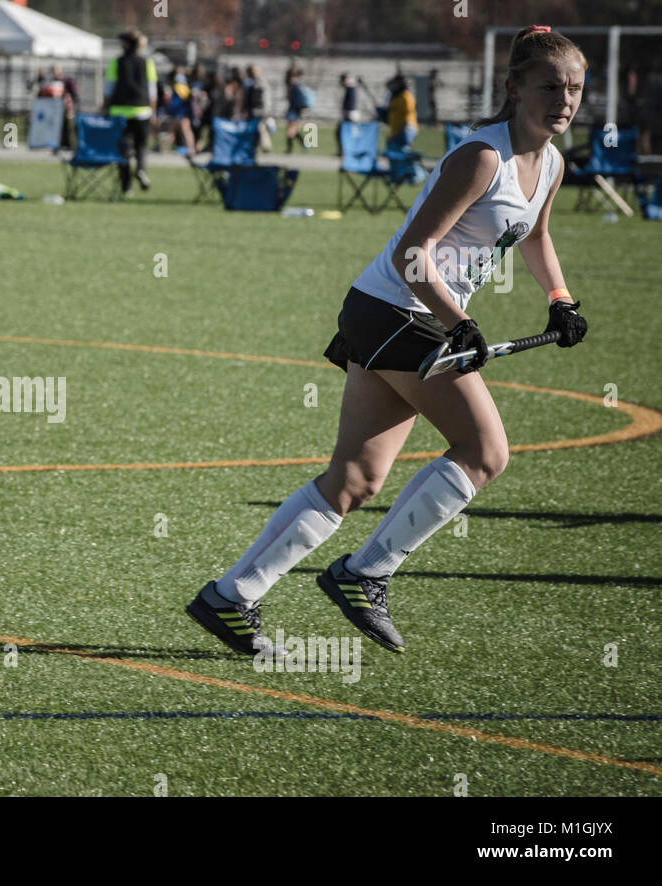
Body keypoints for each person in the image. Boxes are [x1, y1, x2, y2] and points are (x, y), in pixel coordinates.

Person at [186, 26, 589, 657]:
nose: (563, 100)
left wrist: (559, 299)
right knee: (485, 452)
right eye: (549, 87)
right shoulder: (483, 158)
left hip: (396, 315)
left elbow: (534, 236)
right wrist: (458, 321)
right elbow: (410, 255)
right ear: (513, 89)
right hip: (401, 310)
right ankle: (363, 574)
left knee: (355, 479)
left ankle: (230, 597)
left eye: (573, 88)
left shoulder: (553, 163)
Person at [104, 29, 157, 196]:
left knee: (123, 150)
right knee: (141, 145)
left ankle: (126, 186)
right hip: (142, 110)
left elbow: (108, 89)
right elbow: (152, 90)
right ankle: (141, 169)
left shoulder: (116, 62)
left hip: (119, 111)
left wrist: (106, 107)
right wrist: (153, 110)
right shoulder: (146, 63)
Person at [386, 73, 418, 151]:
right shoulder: (395, 97)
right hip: (397, 131)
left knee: (402, 154)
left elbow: (407, 114)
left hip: (404, 130)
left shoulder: (405, 97)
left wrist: (400, 132)